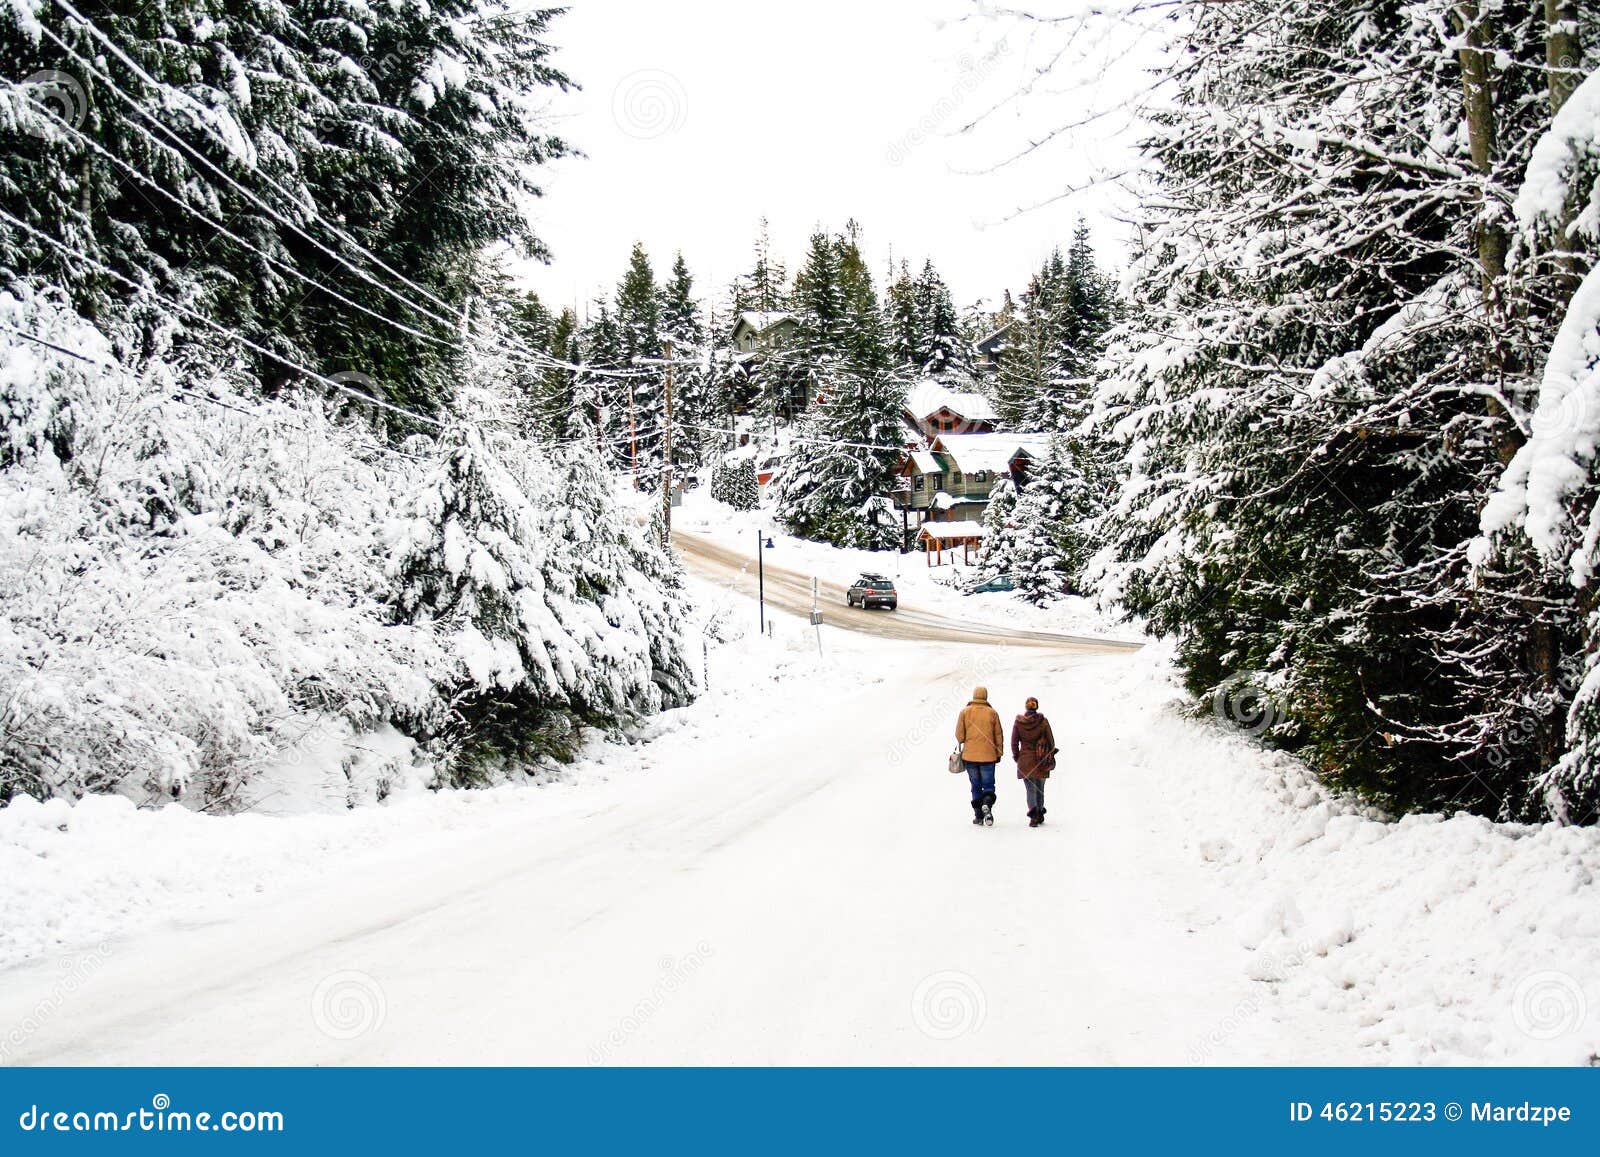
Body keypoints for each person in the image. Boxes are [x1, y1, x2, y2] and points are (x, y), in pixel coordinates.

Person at [956, 686, 1004, 826]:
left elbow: (960, 736)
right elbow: (998, 735)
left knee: (975, 785)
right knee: (988, 785)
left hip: (969, 757)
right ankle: (987, 805)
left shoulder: (965, 712)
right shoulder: (992, 713)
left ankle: (978, 815)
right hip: (989, 757)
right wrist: (999, 752)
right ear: (985, 696)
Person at [1011, 696, 1056, 827]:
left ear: (1026, 707)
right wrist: (1048, 753)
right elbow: (1051, 742)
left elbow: (1014, 742)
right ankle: (1040, 813)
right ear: (1036, 707)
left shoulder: (1019, 722)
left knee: (1030, 789)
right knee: (1040, 789)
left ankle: (1033, 816)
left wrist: (1017, 757)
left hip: (1025, 760)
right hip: (1041, 760)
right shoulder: (1043, 722)